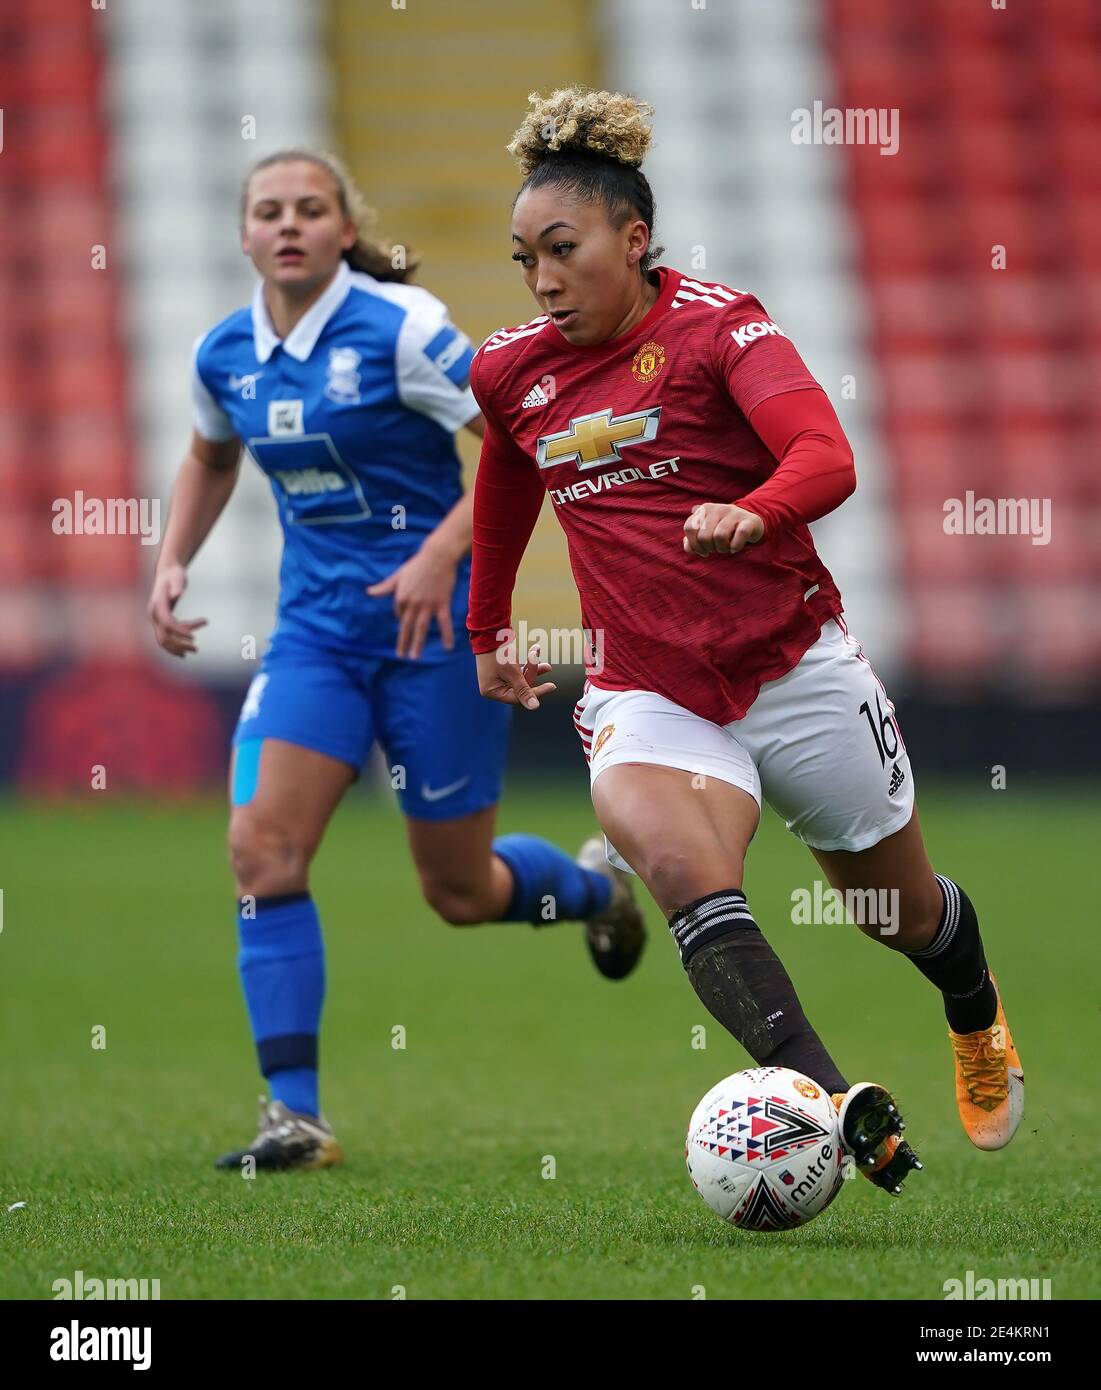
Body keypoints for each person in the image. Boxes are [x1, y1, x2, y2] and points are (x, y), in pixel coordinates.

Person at [466, 88, 1024, 1195]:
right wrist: (487, 627)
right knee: (682, 866)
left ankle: (974, 1009)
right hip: (650, 687)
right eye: (524, 257)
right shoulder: (510, 371)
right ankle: (832, 1099)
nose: (541, 280)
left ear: (633, 238)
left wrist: (754, 509)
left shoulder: (722, 329)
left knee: (897, 913)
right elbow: (505, 484)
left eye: (562, 250)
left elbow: (826, 453)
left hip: (794, 666)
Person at [148, 147, 643, 1172]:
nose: (288, 224)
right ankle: (295, 1117)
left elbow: (522, 442)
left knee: (458, 893)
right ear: (244, 235)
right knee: (259, 851)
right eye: (268, 211)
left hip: (436, 638)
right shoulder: (223, 354)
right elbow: (210, 455)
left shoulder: (400, 328)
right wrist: (169, 563)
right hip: (315, 640)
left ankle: (599, 892)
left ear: (342, 229)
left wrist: (436, 554)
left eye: (310, 209)